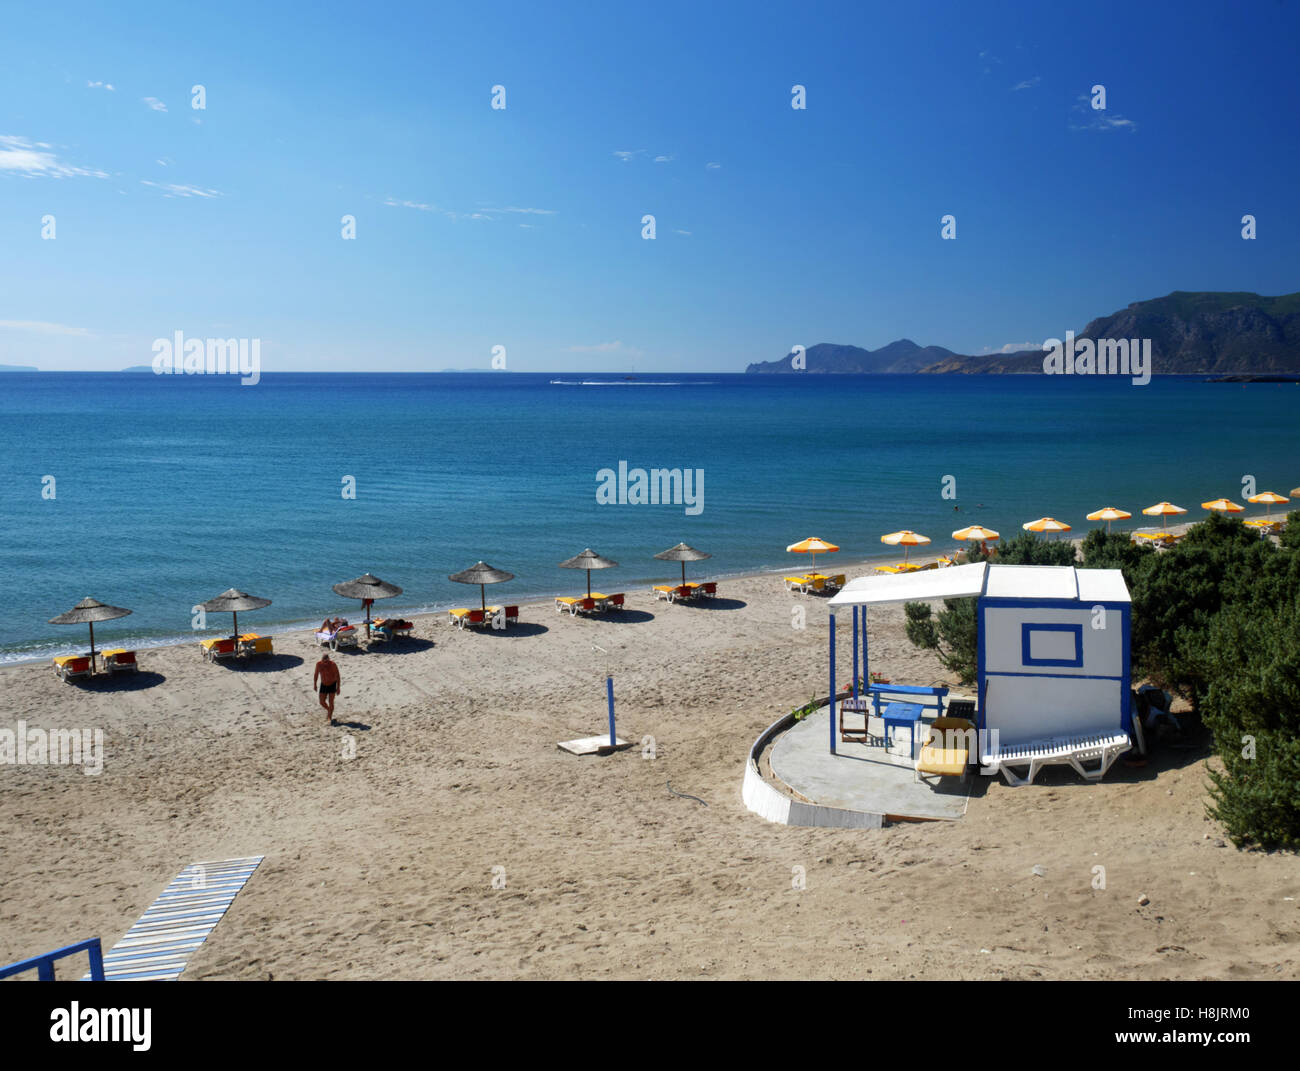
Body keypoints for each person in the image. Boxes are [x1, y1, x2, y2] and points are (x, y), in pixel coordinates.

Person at [314, 652, 341, 725]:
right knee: (321, 701)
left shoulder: (333, 664)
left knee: (331, 701)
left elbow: (338, 676)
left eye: (327, 661)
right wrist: (315, 684)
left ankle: (329, 717)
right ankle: (329, 710)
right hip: (323, 684)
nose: (326, 663)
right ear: (322, 660)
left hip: (332, 684)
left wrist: (338, 687)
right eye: (324, 661)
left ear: (329, 659)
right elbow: (316, 674)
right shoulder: (318, 664)